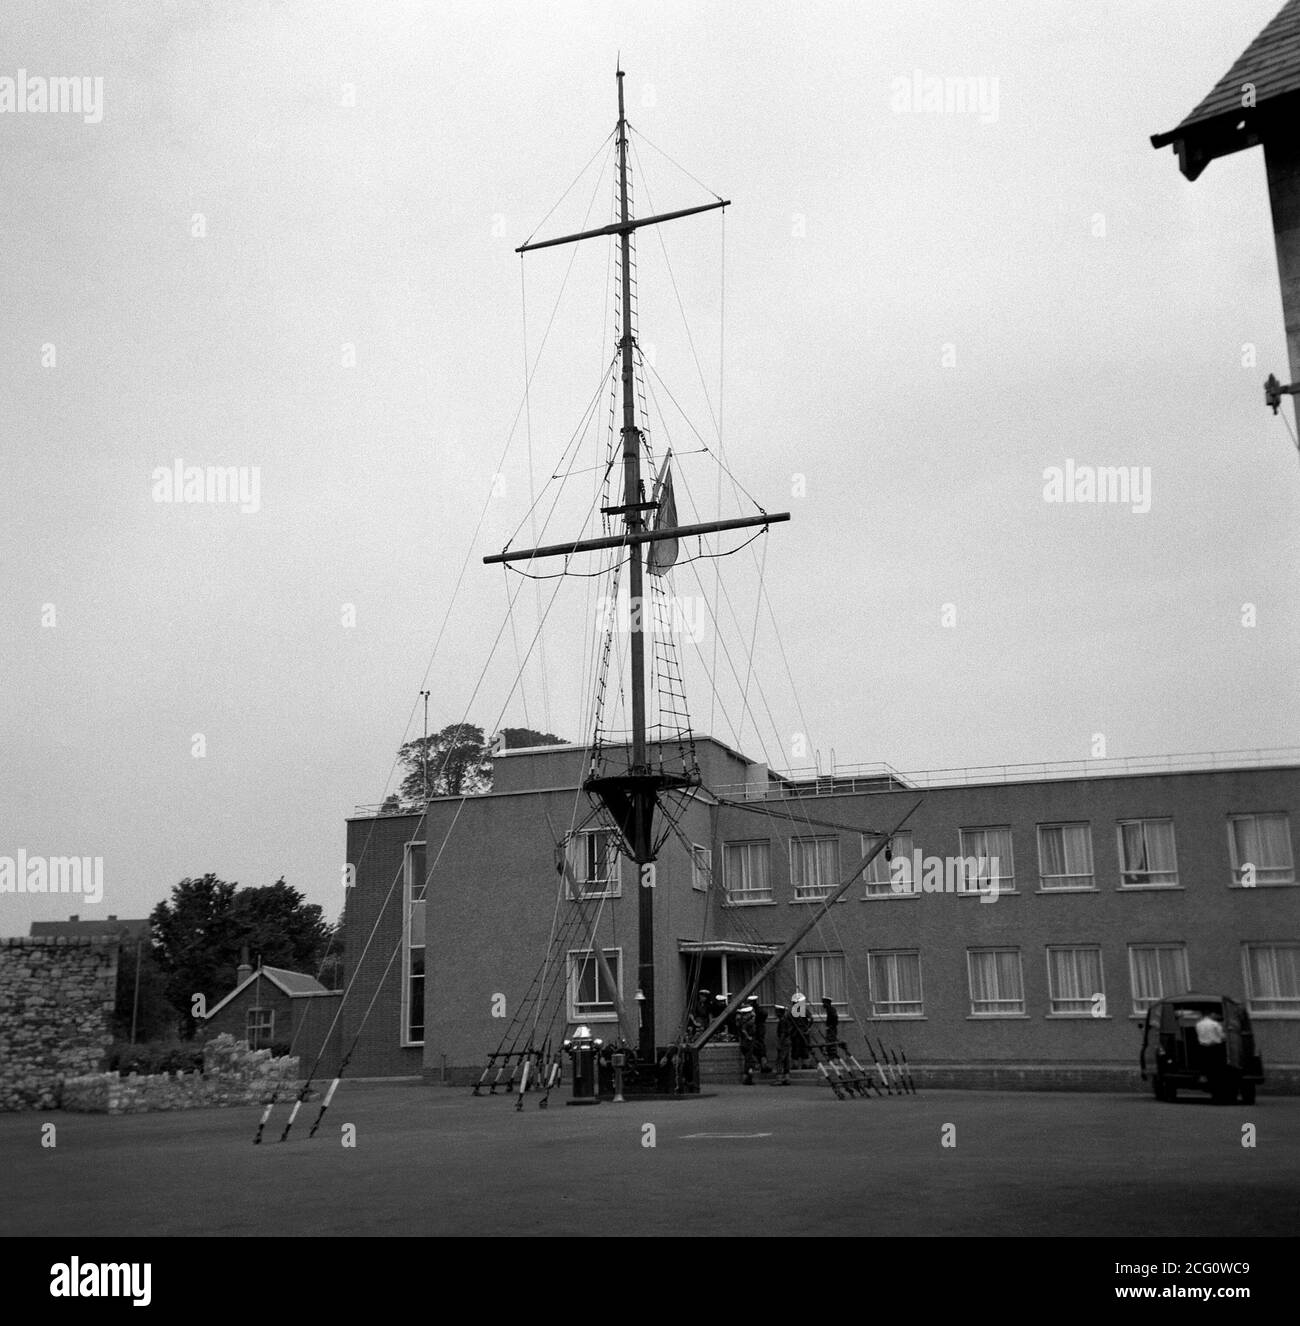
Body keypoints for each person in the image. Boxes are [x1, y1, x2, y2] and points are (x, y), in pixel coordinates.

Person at [735, 999, 759, 1085]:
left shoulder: (741, 1020)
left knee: (748, 1060)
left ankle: (748, 1077)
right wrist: (748, 1037)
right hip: (748, 1042)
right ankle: (748, 1078)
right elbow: (744, 1030)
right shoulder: (748, 1023)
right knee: (749, 1061)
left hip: (744, 1042)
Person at [790, 990, 812, 1067]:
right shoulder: (803, 1010)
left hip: (797, 1033)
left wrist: (808, 1028)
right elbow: (810, 1019)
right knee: (802, 1048)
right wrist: (808, 1028)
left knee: (798, 1048)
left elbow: (810, 1019)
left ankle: (798, 1064)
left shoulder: (793, 1011)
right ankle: (804, 1064)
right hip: (800, 1033)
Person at [774, 1003, 793, 1085]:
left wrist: (779, 1043)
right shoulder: (786, 1020)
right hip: (787, 1041)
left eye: (777, 1011)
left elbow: (782, 1033)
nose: (776, 1013)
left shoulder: (782, 1021)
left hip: (783, 1042)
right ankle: (787, 1078)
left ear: (779, 1012)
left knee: (780, 1060)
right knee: (786, 1060)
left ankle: (779, 1079)